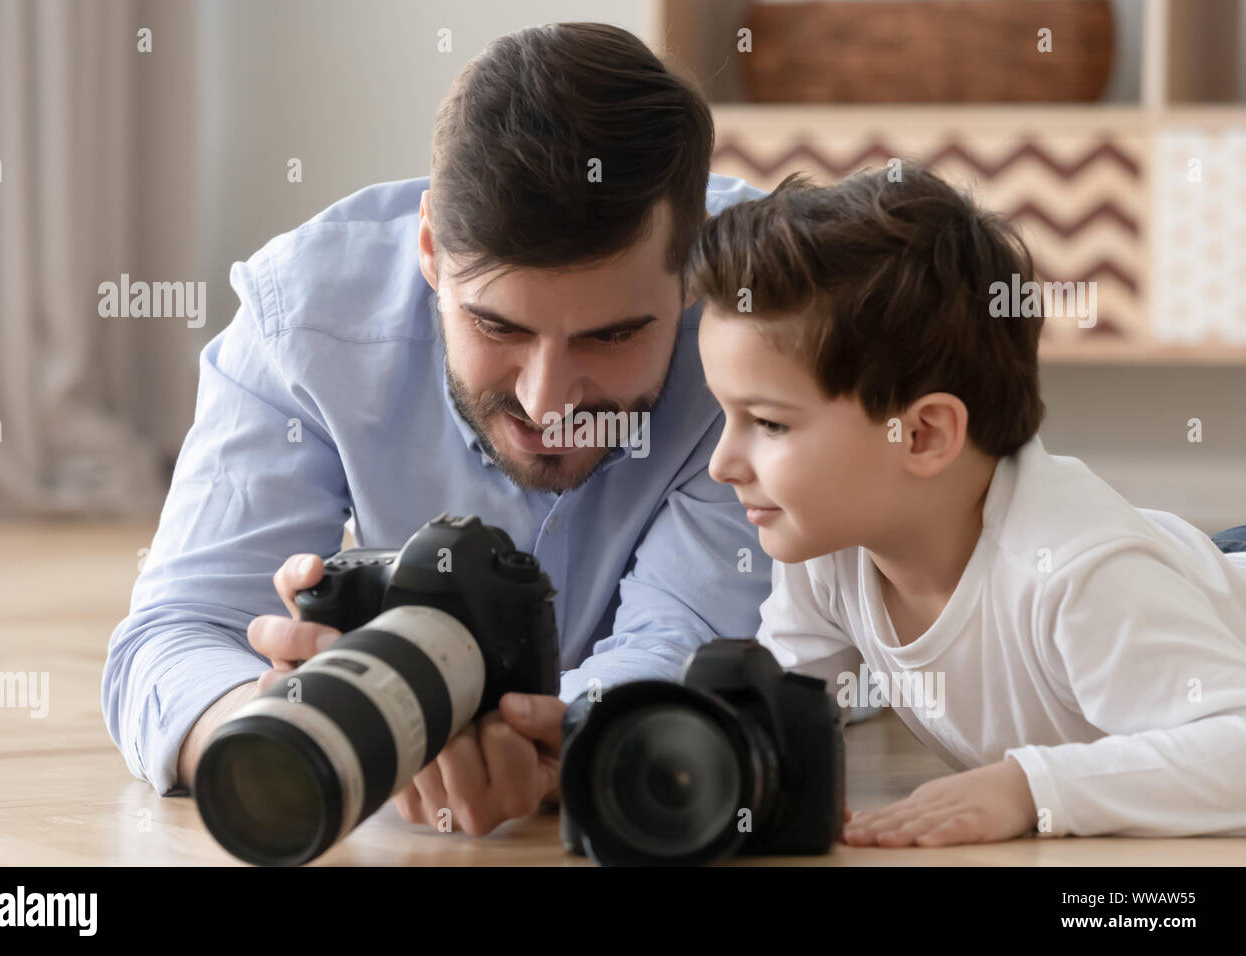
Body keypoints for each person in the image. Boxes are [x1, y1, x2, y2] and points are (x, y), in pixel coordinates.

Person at [101, 22, 774, 837]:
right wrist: (283, 718)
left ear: (691, 269)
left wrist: (575, 745)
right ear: (429, 249)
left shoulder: (766, 316)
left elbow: (685, 636)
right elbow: (173, 637)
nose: (547, 397)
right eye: (500, 327)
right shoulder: (307, 320)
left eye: (612, 335)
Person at [689, 163, 1246, 845]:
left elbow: (1234, 750)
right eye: (725, 415)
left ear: (922, 435)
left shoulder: (1077, 572)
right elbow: (775, 711)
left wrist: (1029, 787)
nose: (721, 463)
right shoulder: (827, 546)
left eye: (768, 423)